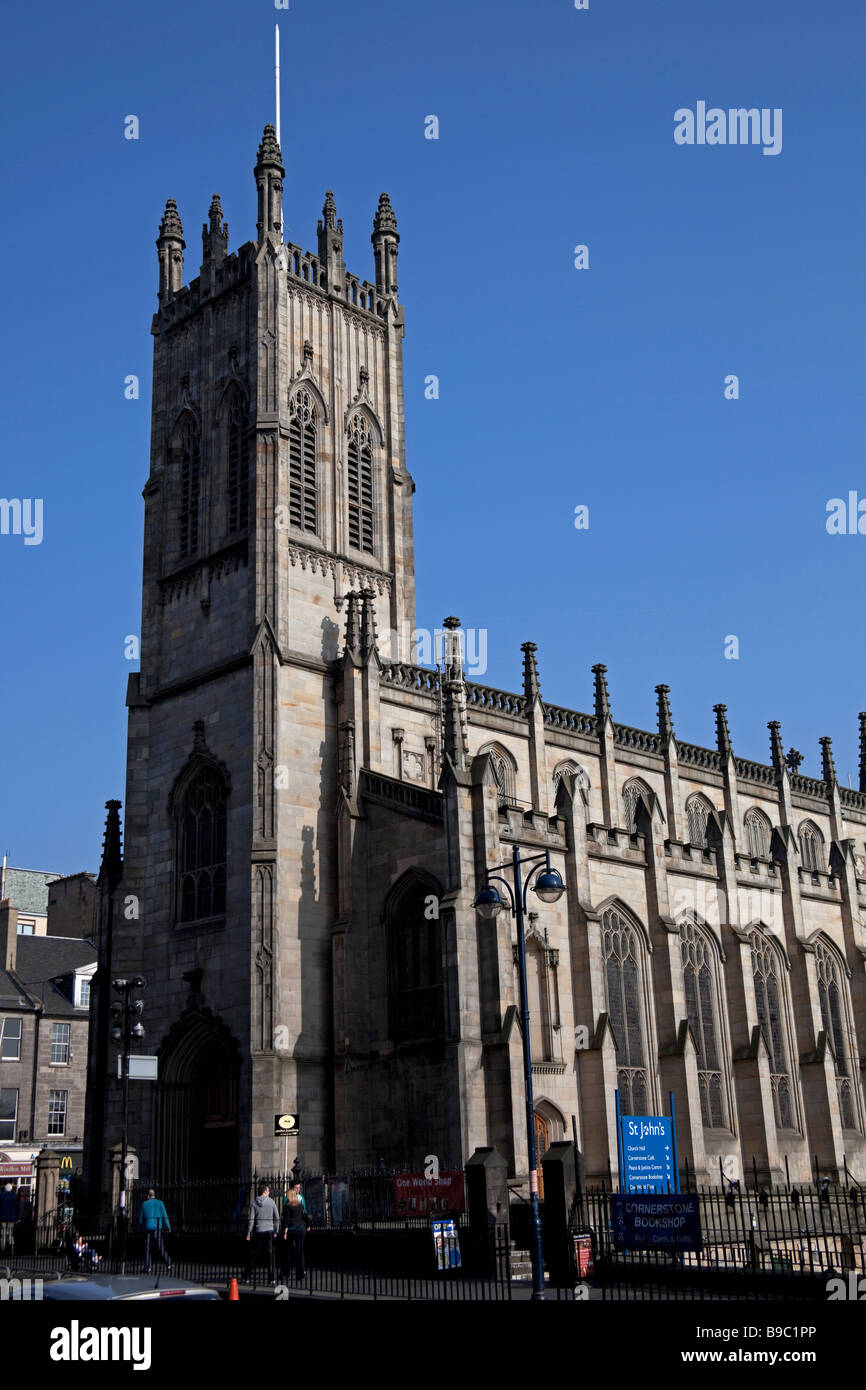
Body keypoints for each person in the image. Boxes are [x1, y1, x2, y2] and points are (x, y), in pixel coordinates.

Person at [245, 1181, 280, 1284]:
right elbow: (277, 1218)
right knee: (270, 1255)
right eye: (268, 1190)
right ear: (265, 1191)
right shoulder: (272, 1202)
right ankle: (271, 1278)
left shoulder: (254, 1203)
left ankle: (247, 1276)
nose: (269, 1192)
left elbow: (251, 1220)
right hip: (269, 1231)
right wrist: (276, 1230)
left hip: (259, 1231)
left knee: (254, 1255)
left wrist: (248, 1233)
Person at [281, 1181, 311, 1281]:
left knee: (292, 1251)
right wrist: (307, 1224)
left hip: (292, 1229)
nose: (298, 1189)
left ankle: (290, 1272)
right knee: (296, 1251)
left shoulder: (298, 1200)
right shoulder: (289, 1200)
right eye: (296, 1188)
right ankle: (298, 1273)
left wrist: (285, 1231)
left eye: (299, 1187)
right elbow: (304, 1213)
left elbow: (288, 1218)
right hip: (300, 1228)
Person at [139, 1188, 172, 1273]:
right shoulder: (160, 1203)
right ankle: (168, 1264)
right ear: (154, 1195)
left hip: (147, 1228)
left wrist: (141, 1228)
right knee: (161, 1247)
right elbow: (165, 1216)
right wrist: (168, 1227)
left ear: (148, 1196)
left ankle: (148, 1267)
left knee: (147, 1248)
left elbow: (141, 1220)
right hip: (157, 1228)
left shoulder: (144, 1204)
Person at [0, 1183, 18, 1253]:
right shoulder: (14, 1197)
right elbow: (17, 1208)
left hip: (2, 1217)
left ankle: (3, 1249)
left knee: (3, 1234)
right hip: (12, 1217)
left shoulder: (1, 1196)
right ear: (11, 1189)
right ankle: (11, 1248)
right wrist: (17, 1217)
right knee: (10, 1233)